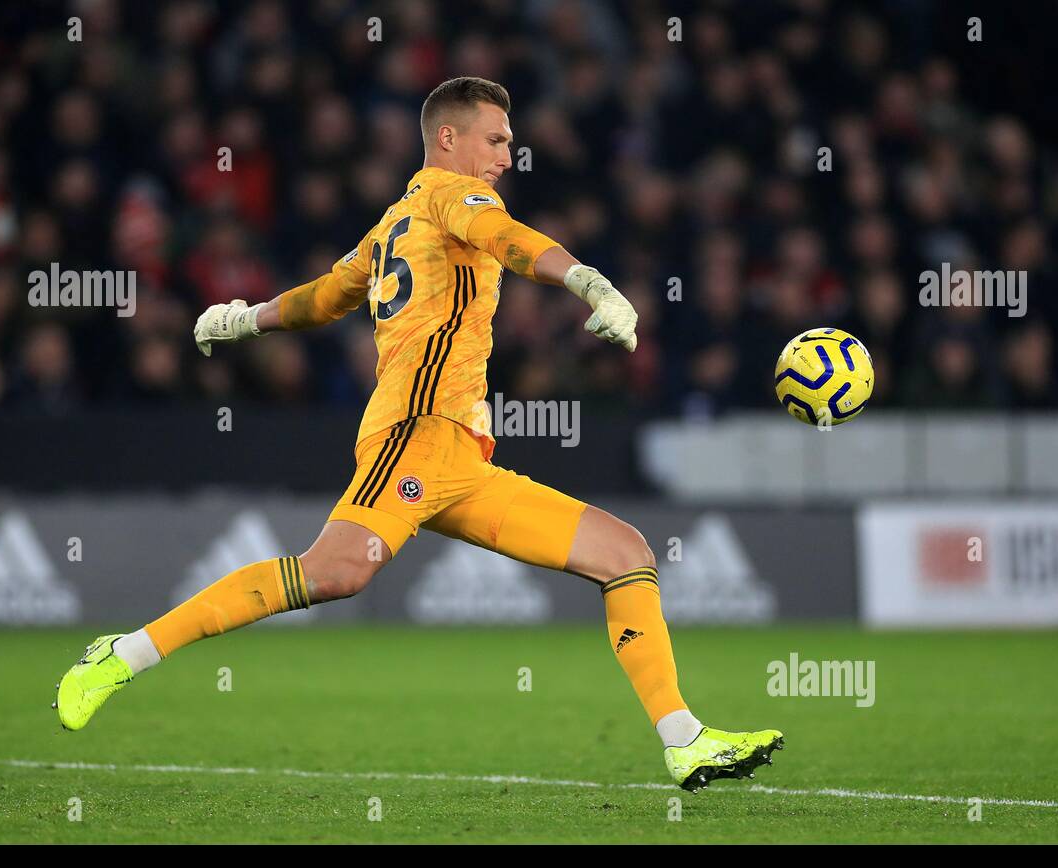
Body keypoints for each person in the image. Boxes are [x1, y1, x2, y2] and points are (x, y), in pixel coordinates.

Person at [54, 77, 782, 791]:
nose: (507, 153)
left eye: (511, 140)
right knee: (334, 572)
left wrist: (247, 317)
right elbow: (507, 237)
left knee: (624, 553)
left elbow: (324, 297)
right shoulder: (454, 197)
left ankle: (683, 742)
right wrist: (590, 282)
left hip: (462, 456)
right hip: (413, 433)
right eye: (495, 138)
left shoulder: (393, 223)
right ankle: (121, 654)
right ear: (448, 137)